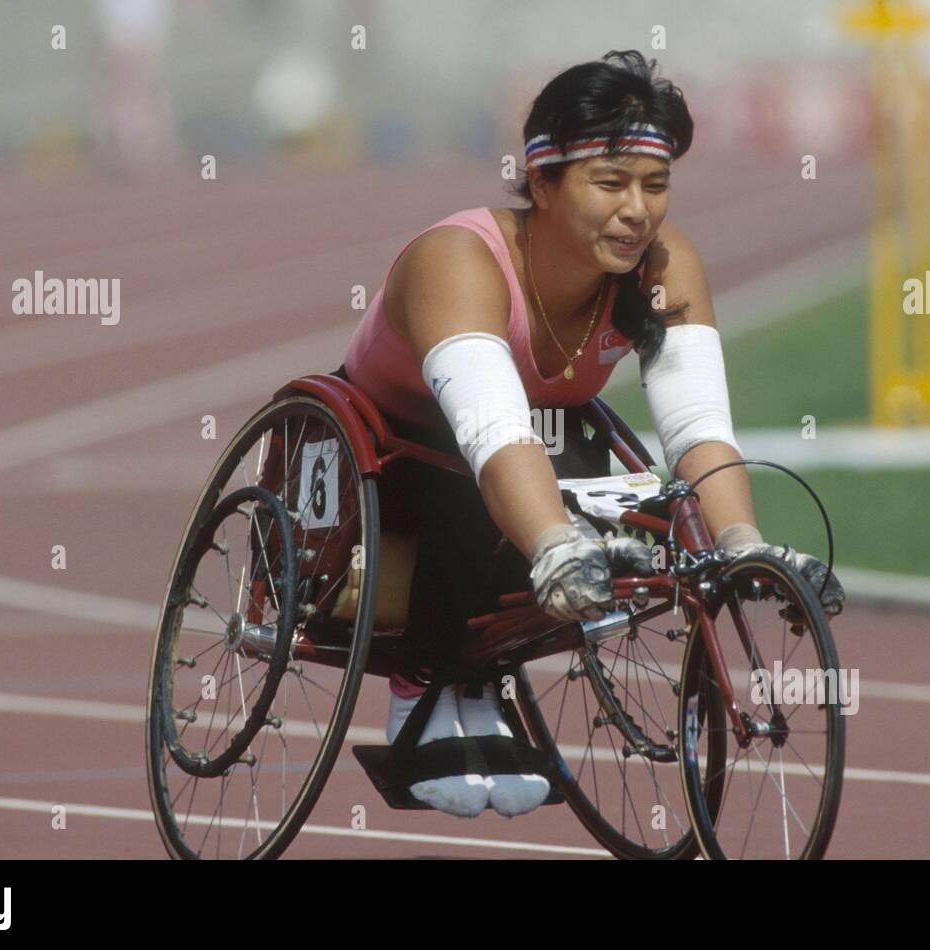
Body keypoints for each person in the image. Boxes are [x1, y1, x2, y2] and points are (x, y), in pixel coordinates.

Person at [332, 50, 844, 819]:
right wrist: (556, 545)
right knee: (485, 480)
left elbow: (699, 432)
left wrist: (742, 545)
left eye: (656, 184)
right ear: (542, 183)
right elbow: (494, 431)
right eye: (610, 183)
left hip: (543, 436)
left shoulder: (665, 266)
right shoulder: (457, 260)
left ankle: (480, 686)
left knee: (637, 500)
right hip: (401, 454)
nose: (638, 210)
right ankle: (423, 694)